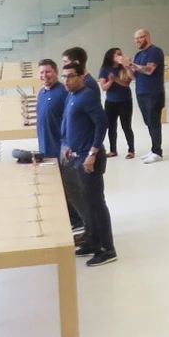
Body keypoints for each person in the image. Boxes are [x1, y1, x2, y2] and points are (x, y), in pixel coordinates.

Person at [60, 61, 117, 267]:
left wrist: (92, 153)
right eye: (64, 77)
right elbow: (71, 124)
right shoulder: (71, 96)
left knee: (96, 204)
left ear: (81, 77)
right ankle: (94, 242)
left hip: (89, 159)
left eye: (70, 76)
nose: (66, 80)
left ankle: (108, 250)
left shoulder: (87, 96)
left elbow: (102, 124)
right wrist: (68, 144)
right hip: (77, 156)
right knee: (87, 203)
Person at [33, 58, 83, 237]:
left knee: (70, 188)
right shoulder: (41, 93)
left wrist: (68, 145)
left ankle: (79, 221)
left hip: (61, 151)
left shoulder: (63, 93)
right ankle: (69, 219)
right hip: (46, 149)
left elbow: (71, 121)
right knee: (57, 188)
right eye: (41, 72)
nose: (44, 75)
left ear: (56, 72)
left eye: (48, 71)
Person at [130, 28, 166, 163]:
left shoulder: (155, 51)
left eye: (139, 38)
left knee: (154, 121)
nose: (137, 41)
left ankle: (157, 152)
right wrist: (127, 67)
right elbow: (133, 76)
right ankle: (153, 149)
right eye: (135, 39)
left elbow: (149, 70)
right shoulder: (138, 55)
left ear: (147, 37)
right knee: (148, 122)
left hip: (154, 92)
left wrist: (132, 65)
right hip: (141, 92)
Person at [97, 47, 135, 159]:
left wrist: (115, 79)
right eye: (118, 54)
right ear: (111, 57)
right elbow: (104, 87)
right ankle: (113, 150)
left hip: (125, 101)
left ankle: (131, 150)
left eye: (121, 54)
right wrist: (111, 81)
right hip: (111, 102)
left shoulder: (124, 68)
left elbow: (126, 83)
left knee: (126, 126)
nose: (120, 56)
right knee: (111, 127)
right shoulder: (104, 69)